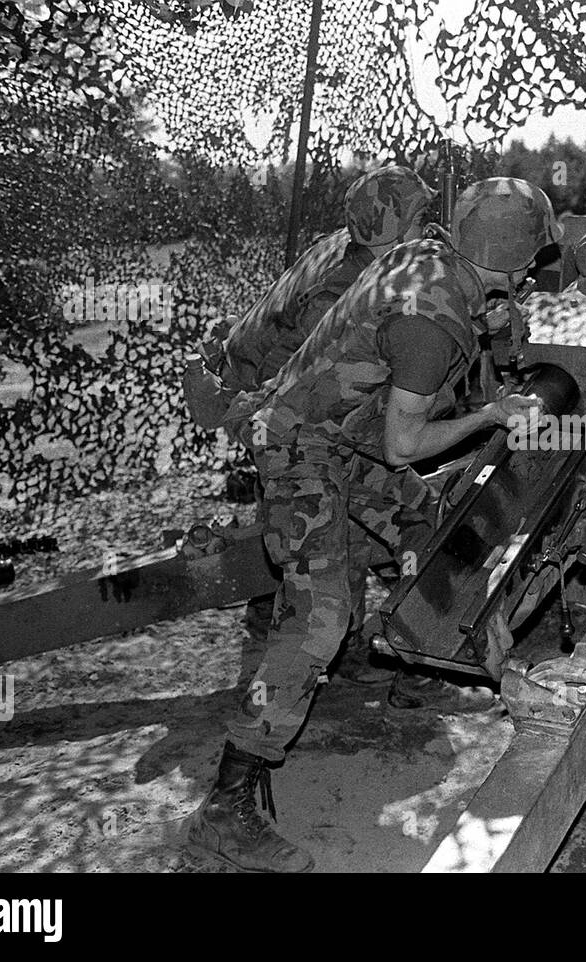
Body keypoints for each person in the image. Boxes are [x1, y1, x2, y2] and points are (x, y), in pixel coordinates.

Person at [186, 176, 562, 872]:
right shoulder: (434, 322)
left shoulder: (428, 256)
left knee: (429, 521)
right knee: (318, 617)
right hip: (303, 448)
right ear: (519, 261)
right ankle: (225, 809)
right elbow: (403, 447)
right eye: (532, 262)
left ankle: (418, 660)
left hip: (339, 434)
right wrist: (491, 413)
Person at [183, 165, 440, 692]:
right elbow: (313, 392)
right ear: (387, 231)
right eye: (420, 220)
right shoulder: (344, 286)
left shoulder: (357, 249)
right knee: (332, 514)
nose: (430, 230)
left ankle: (293, 624)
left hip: (260, 394)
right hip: (258, 402)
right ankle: (336, 652)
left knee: (325, 505)